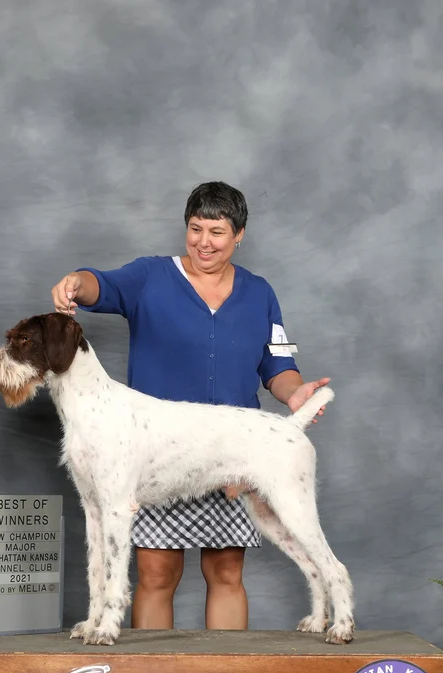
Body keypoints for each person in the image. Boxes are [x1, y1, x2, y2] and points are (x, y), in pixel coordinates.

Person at [50, 181, 329, 633]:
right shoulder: (150, 277)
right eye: (195, 229)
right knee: (158, 576)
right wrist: (75, 284)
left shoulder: (261, 293)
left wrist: (295, 394)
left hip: (231, 449)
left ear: (239, 235)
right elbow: (100, 285)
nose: (204, 242)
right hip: (159, 453)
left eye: (217, 232)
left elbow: (278, 364)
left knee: (225, 573)